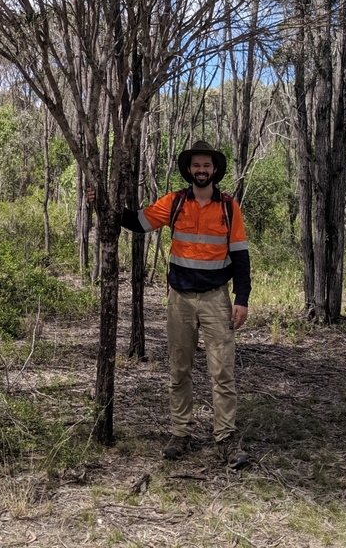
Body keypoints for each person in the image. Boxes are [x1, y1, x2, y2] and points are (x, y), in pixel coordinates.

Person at [97, 140, 251, 469]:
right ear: (189, 169)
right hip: (179, 299)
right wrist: (106, 205)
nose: (201, 170)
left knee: (222, 372)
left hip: (216, 300)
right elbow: (138, 221)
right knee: (179, 370)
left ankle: (225, 438)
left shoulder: (228, 207)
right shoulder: (175, 203)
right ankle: (181, 433)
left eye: (206, 165)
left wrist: (242, 299)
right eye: (196, 165)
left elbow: (240, 256)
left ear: (214, 170)